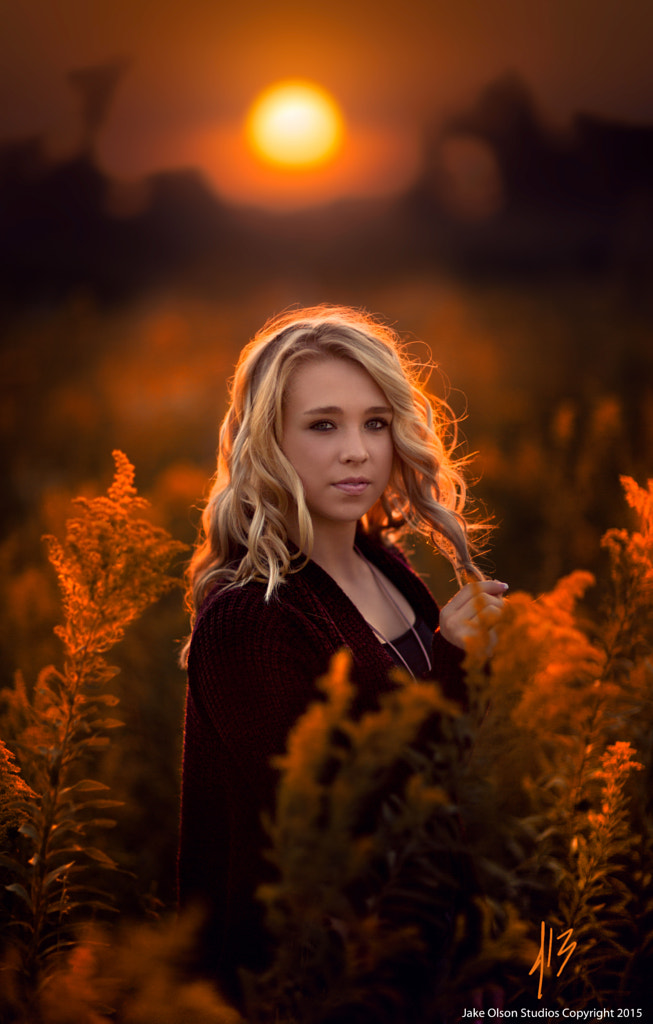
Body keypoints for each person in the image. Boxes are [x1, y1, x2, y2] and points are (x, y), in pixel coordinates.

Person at [177, 305, 507, 1006]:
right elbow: (326, 825)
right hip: (306, 986)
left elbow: (449, 770)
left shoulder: (384, 567)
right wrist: (451, 660)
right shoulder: (252, 619)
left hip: (416, 957)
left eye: (375, 423)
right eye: (323, 425)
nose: (356, 450)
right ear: (269, 442)